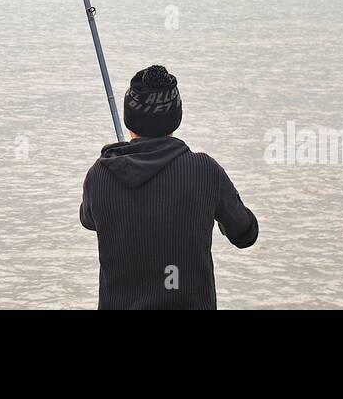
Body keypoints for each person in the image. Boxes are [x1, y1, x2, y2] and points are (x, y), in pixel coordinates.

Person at [79, 64, 258, 309]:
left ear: (129, 120)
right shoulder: (205, 171)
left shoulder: (99, 174)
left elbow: (88, 219)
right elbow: (245, 234)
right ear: (176, 117)